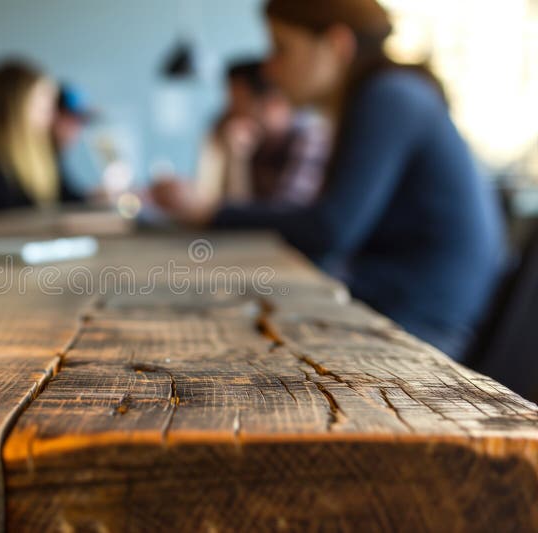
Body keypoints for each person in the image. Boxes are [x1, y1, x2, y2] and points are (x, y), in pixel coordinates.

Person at [152, 0, 506, 360]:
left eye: (281, 48)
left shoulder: (389, 95)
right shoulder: (379, 95)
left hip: (420, 328)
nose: (271, 69)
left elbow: (330, 228)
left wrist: (212, 211)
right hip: (395, 305)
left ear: (337, 44)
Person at [197, 59, 329, 207]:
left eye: (238, 103)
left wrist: (237, 160)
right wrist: (233, 158)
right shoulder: (252, 140)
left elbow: (282, 214)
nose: (230, 113)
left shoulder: (310, 138)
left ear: (272, 104)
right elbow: (220, 207)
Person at [0, 60, 82, 213]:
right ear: (17, 108)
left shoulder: (43, 154)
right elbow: (0, 220)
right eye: (43, 106)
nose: (51, 115)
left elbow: (67, 198)